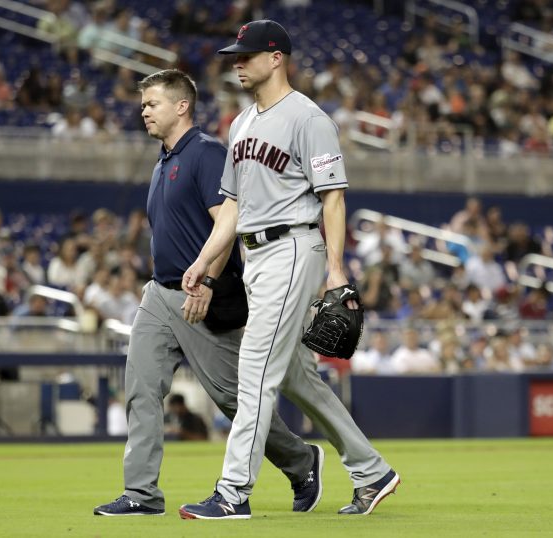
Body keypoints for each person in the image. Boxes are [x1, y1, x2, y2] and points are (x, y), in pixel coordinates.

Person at [179, 21, 398, 520]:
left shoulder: (309, 118)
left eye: (247, 54)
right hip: (256, 255)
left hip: (294, 247)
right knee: (299, 377)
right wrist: (202, 262)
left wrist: (337, 270)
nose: (238, 61)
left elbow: (333, 197)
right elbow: (231, 209)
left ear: (276, 58)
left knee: (255, 369)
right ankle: (371, 470)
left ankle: (233, 492)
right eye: (235, 54)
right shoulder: (239, 123)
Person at [93, 69, 323, 517]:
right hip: (160, 293)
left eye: (152, 103)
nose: (143, 111)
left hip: (202, 295)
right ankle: (141, 492)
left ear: (182, 106)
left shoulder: (205, 154)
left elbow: (229, 221)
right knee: (140, 388)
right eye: (143, 104)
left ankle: (300, 461)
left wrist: (210, 282)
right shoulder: (164, 159)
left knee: (232, 398)